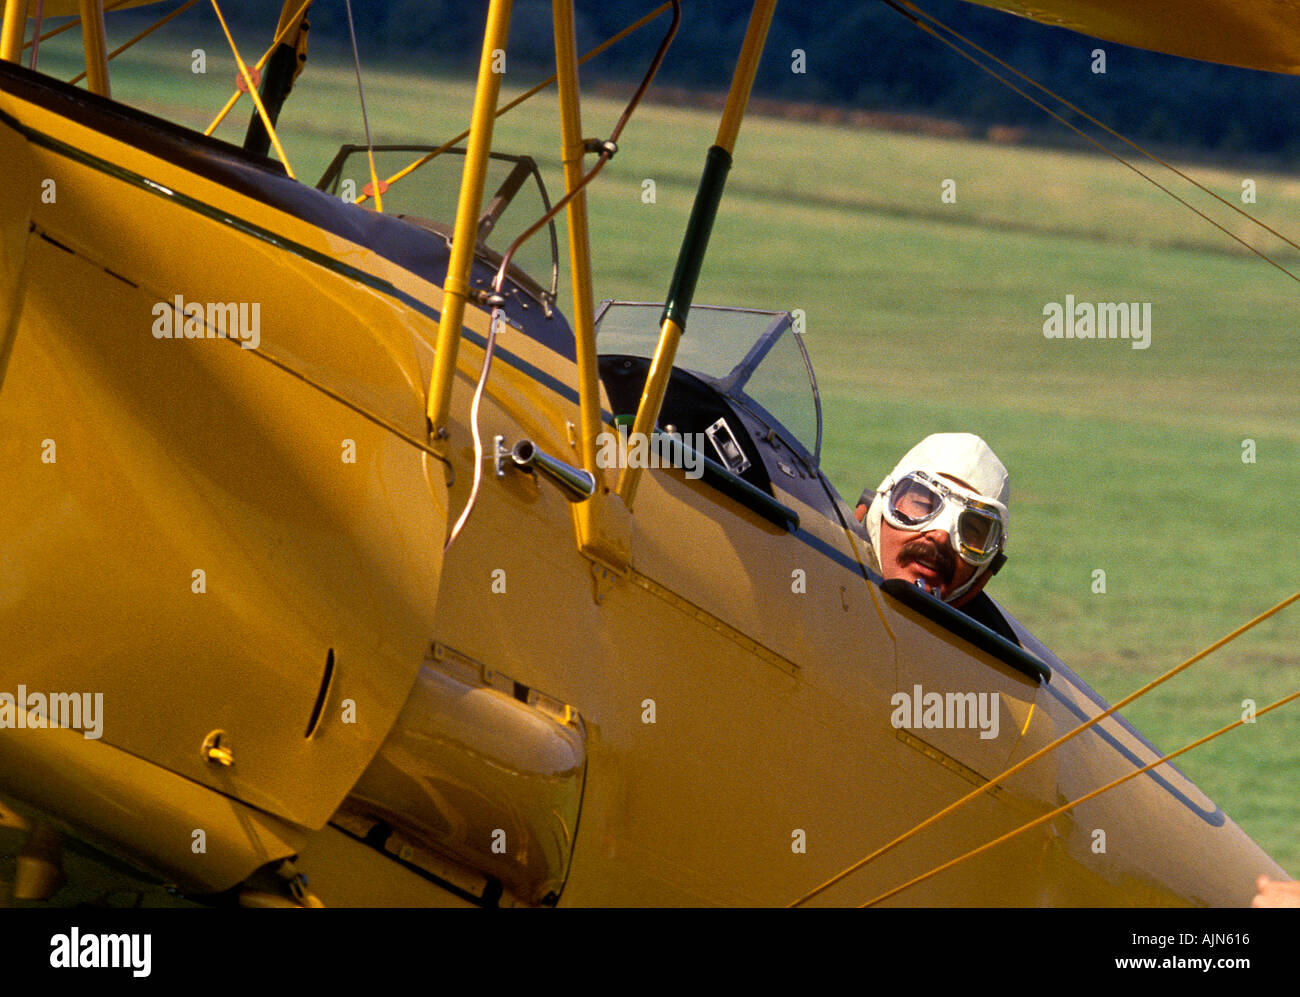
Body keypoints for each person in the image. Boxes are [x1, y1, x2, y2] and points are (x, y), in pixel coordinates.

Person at [855, 432, 1016, 639]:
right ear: (879, 506)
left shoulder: (987, 664)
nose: (940, 536)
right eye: (923, 505)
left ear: (988, 566)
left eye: (971, 530)